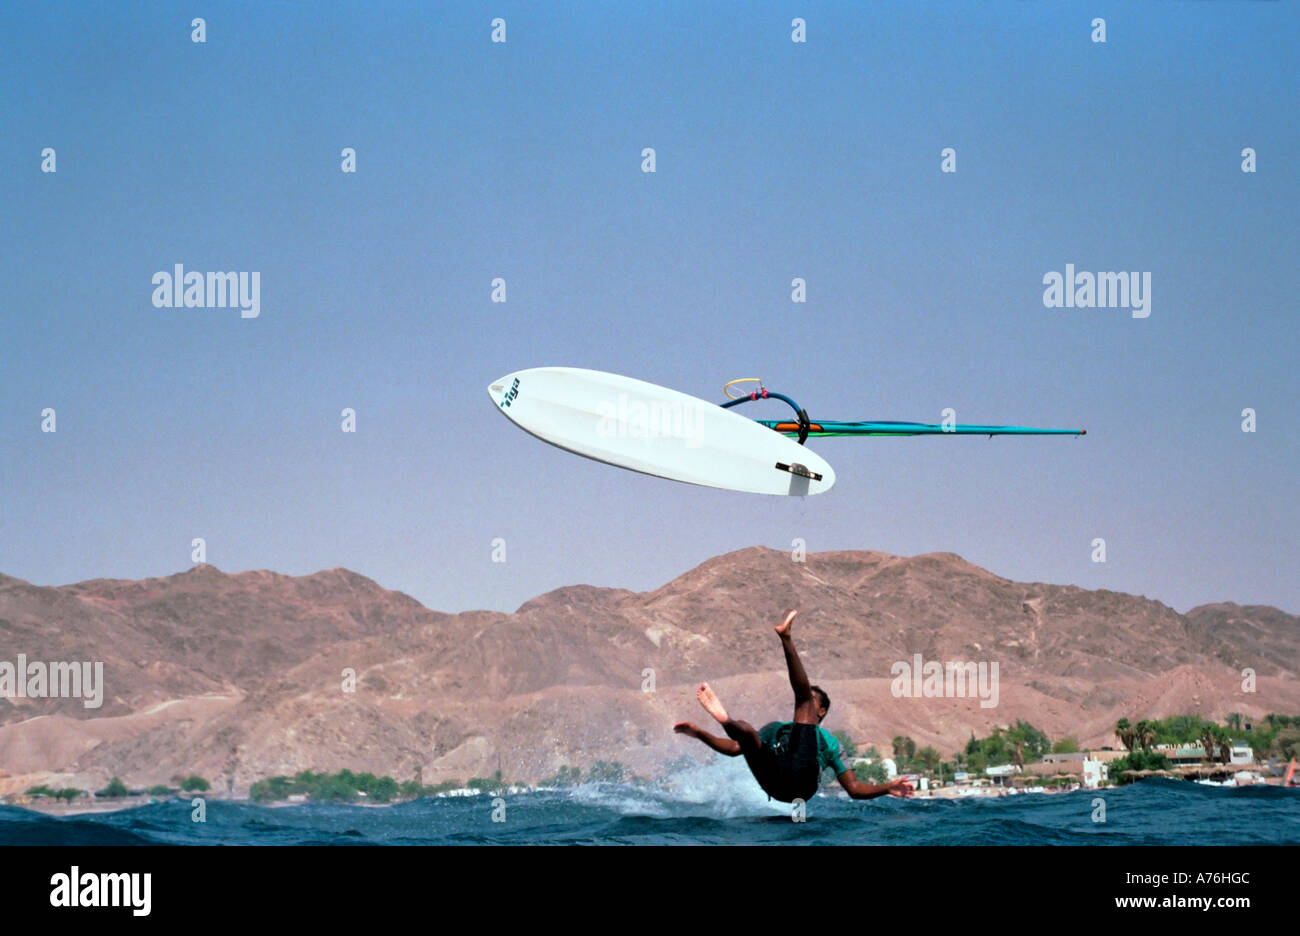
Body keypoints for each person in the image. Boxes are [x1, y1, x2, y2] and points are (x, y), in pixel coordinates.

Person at [674, 609, 913, 803]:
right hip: (774, 781)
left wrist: (886, 788)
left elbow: (854, 788)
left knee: (747, 732)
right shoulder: (777, 728)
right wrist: (700, 734)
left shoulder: (828, 743)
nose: (807, 702)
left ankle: (728, 719)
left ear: (822, 711)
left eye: (813, 701)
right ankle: (726, 720)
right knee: (746, 732)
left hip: (799, 785)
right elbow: (736, 748)